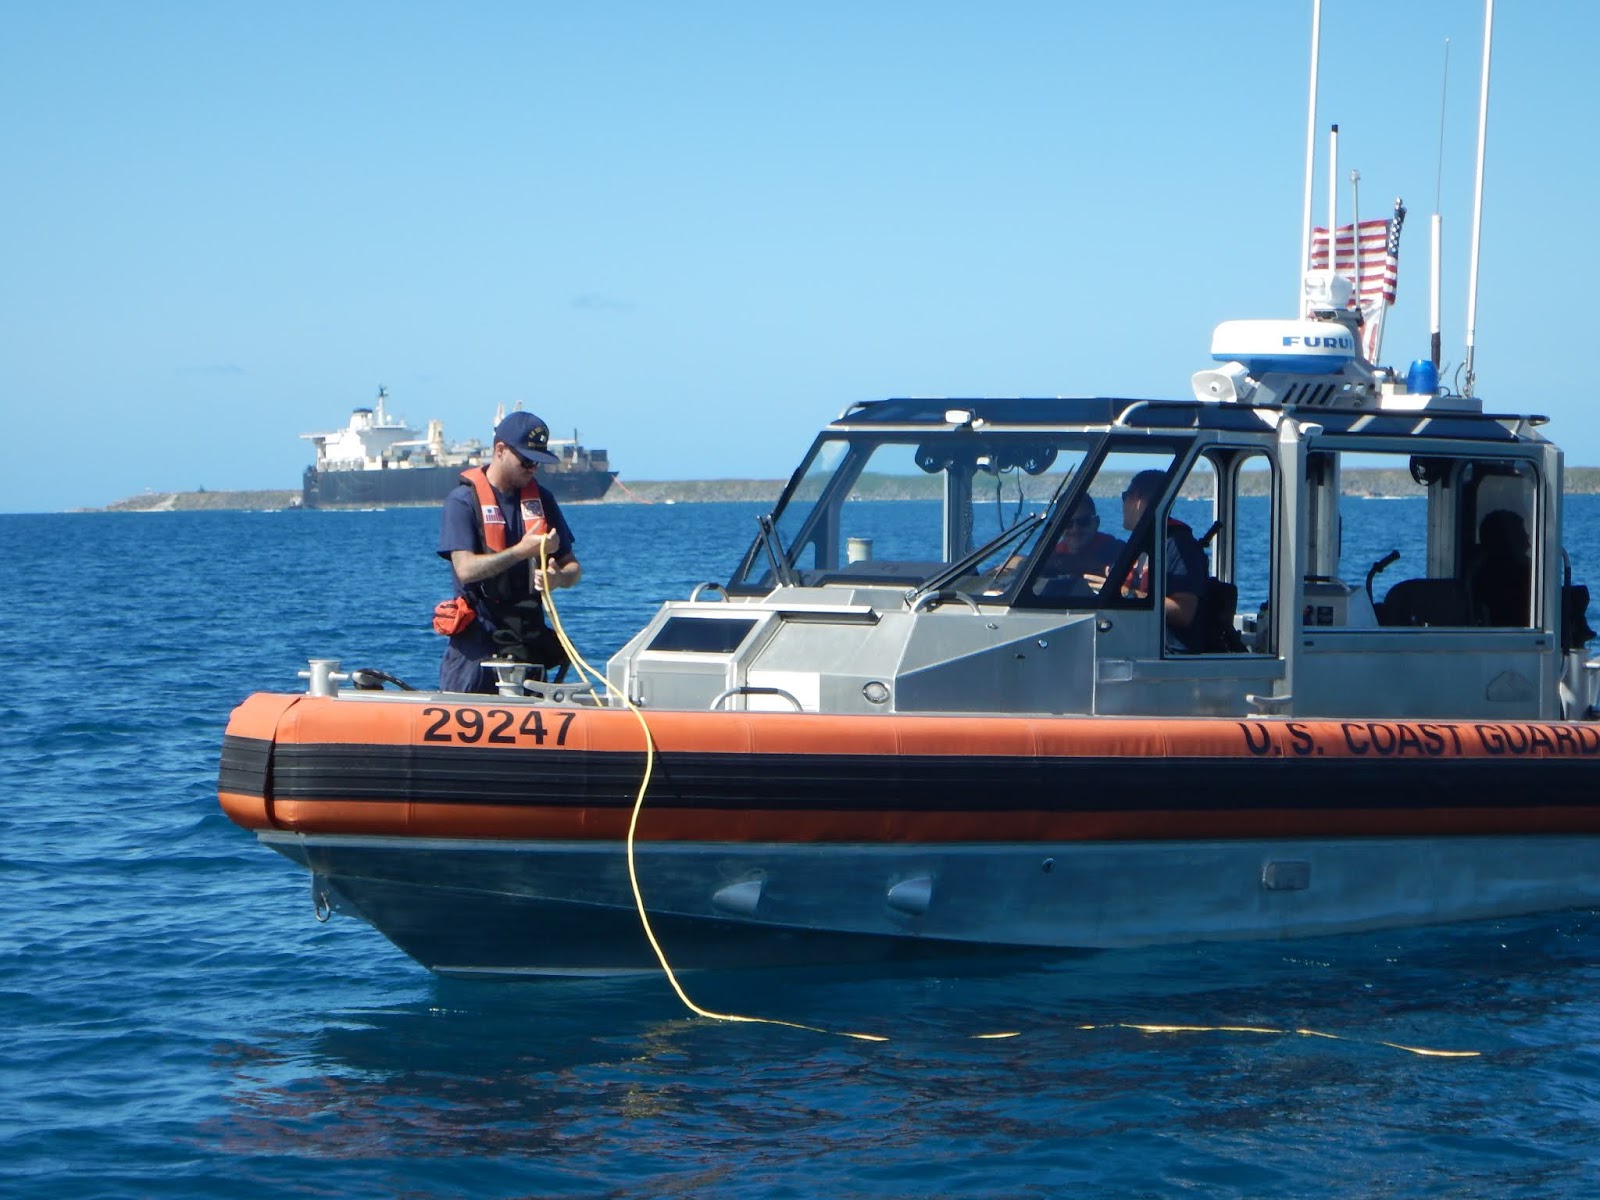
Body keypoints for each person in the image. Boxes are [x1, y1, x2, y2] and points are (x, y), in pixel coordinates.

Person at [436, 410, 583, 693]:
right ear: (500, 450)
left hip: (527, 637)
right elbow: (465, 569)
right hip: (477, 641)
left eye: (538, 463)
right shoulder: (462, 502)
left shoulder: (543, 501)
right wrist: (519, 552)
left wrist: (558, 578)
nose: (532, 470)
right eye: (526, 461)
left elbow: (573, 568)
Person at [1117, 469, 1208, 652]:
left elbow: (1184, 611)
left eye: (1125, 495)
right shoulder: (1143, 543)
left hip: (1169, 654)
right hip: (1138, 644)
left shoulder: (1177, 544)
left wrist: (1128, 594)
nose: (1123, 503)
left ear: (1138, 500)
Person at [1033, 496, 1126, 598]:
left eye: (1083, 522)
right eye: (1068, 523)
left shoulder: (1118, 551)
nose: (1075, 529)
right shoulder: (1052, 555)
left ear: (1096, 523)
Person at [1470, 508, 1532, 626]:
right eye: (1521, 533)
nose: (1528, 540)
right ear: (1508, 541)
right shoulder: (1506, 578)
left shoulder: (1480, 571)